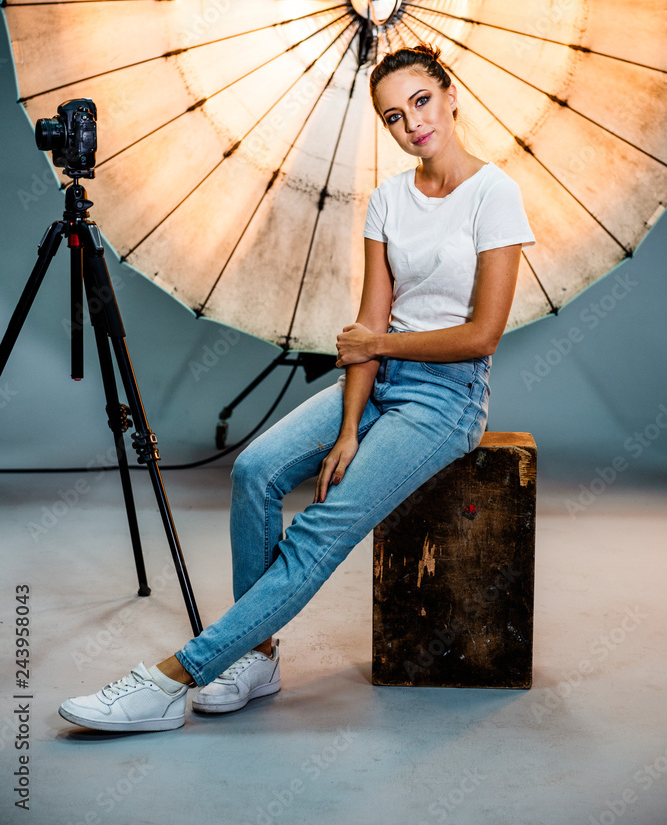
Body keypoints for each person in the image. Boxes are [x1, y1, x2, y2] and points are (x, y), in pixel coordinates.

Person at [59, 44, 535, 732]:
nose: (412, 124)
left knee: (320, 529)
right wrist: (347, 426)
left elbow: (481, 335)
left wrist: (377, 346)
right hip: (376, 383)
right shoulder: (388, 200)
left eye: (422, 102)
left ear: (451, 94)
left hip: (446, 398)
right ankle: (255, 654)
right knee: (254, 470)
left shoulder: (495, 194)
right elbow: (366, 325)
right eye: (393, 116)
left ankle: (170, 678)